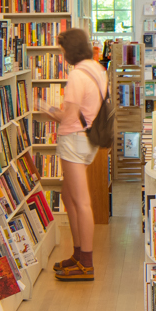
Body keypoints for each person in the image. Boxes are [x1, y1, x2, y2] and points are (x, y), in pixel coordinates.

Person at [50, 27, 108, 282]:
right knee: (69, 195)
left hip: (73, 139)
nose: (62, 56)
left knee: (81, 201)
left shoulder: (76, 75)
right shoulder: (97, 69)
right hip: (89, 138)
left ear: (70, 50)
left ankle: (86, 262)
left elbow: (69, 115)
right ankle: (77, 254)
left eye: (62, 50)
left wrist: (48, 110)